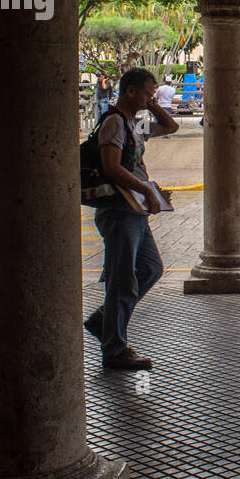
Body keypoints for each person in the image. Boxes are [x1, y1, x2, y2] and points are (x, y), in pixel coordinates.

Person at [82, 67, 178, 370]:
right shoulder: (114, 124)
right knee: (122, 281)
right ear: (130, 91)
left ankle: (103, 320)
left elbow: (171, 126)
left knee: (150, 268)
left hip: (134, 208)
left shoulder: (133, 125)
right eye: (148, 93)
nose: (152, 98)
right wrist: (145, 190)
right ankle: (115, 349)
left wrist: (152, 105)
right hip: (119, 209)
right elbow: (111, 167)